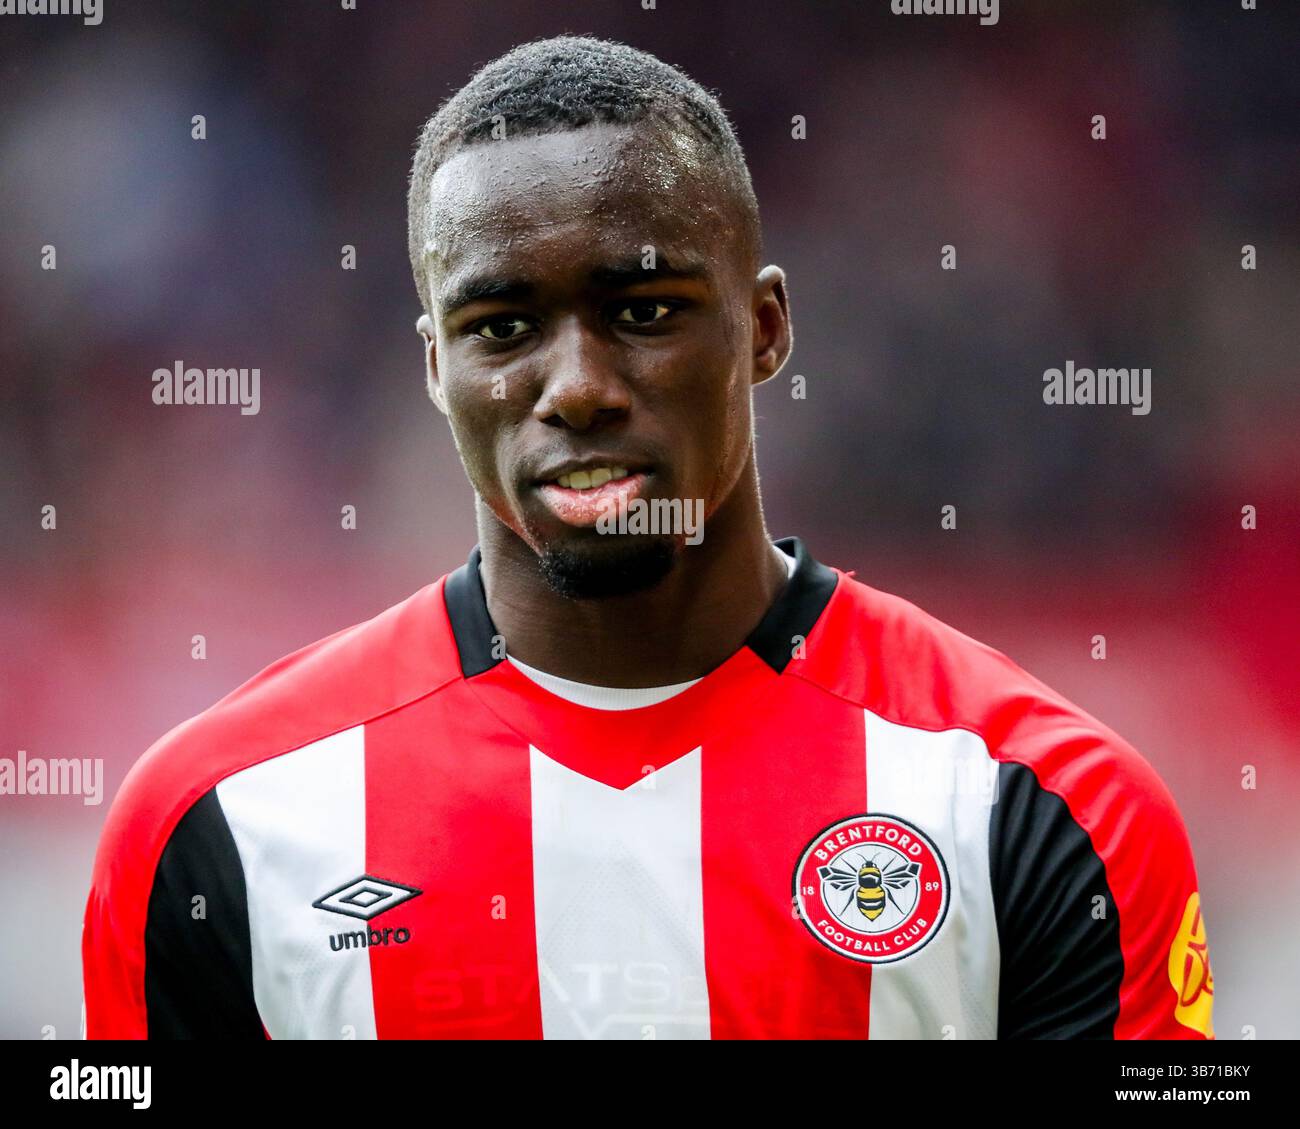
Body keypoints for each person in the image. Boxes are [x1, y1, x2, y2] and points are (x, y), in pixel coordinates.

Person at [81, 34, 1213, 1040]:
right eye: (502, 325)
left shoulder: (1045, 809)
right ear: (437, 366)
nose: (575, 387)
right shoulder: (214, 826)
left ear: (763, 328)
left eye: (644, 310)